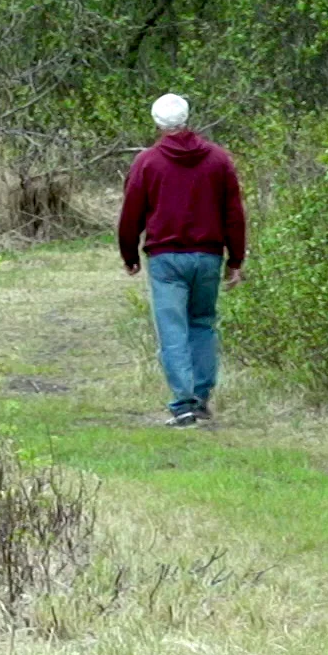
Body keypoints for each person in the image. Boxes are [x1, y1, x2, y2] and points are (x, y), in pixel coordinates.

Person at [117, 93, 247, 427]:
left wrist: (129, 254)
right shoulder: (218, 160)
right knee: (202, 323)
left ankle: (183, 404)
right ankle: (201, 399)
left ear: (157, 123)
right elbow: (233, 214)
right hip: (207, 255)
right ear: (188, 118)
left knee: (172, 330)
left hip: (166, 257)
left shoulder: (147, 162)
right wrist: (236, 259)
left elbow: (131, 214)